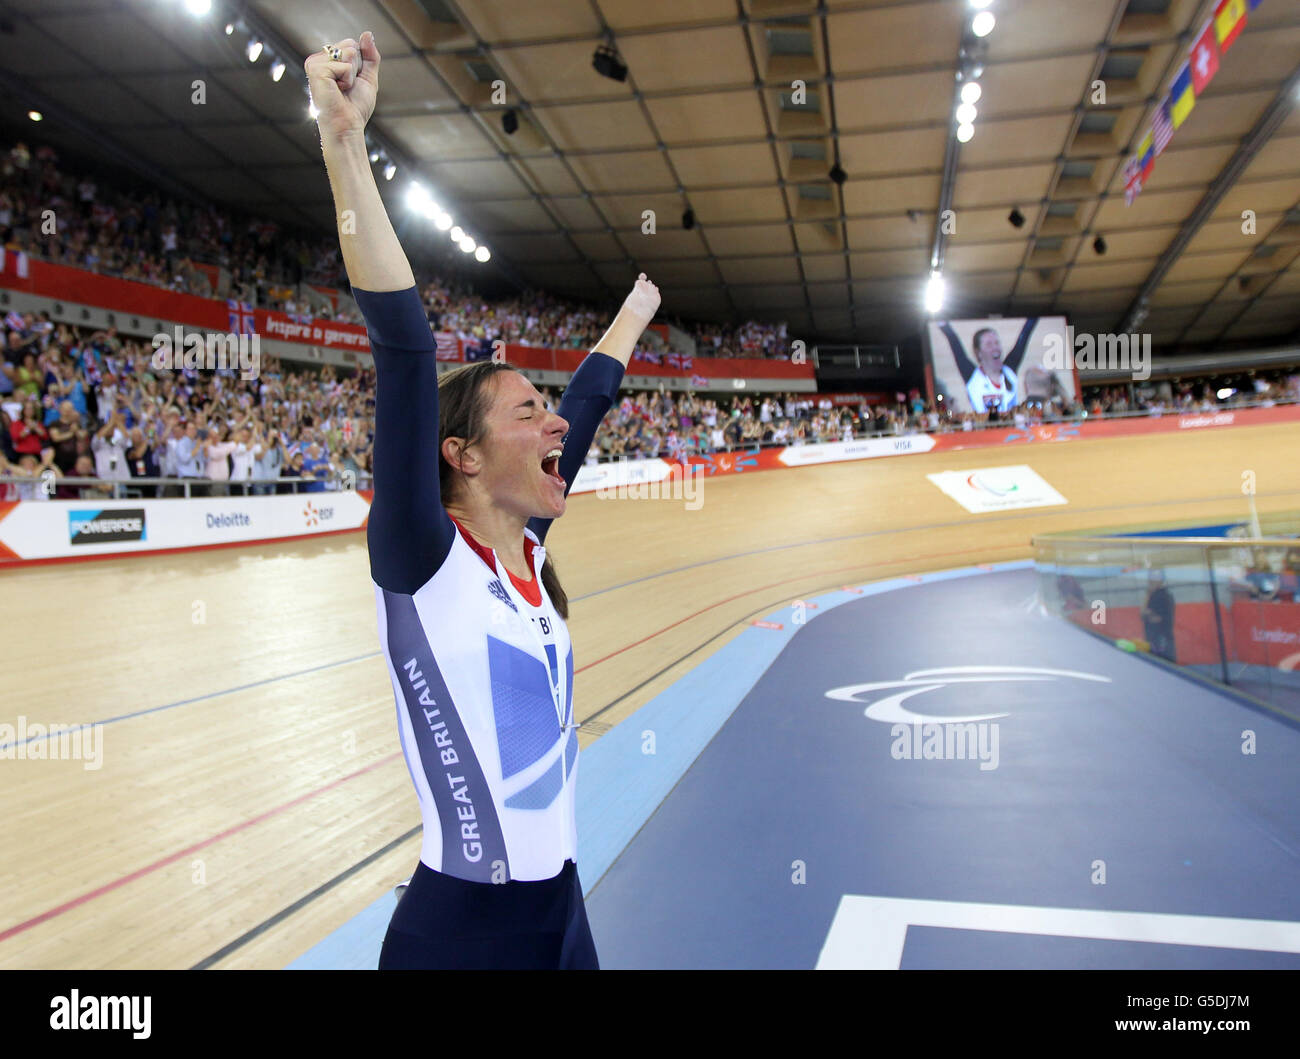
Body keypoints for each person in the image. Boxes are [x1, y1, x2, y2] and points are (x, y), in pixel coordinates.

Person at [307, 32, 661, 970]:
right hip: (460, 938)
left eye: (550, 412)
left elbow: (588, 401)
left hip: (564, 919)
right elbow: (406, 347)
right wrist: (344, 142)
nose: (557, 429)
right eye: (527, 411)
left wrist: (634, 311)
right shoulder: (422, 559)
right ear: (458, 453)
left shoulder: (532, 550)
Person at [1141, 570, 1176, 662]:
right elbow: (1144, 614)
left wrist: (1147, 597)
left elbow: (1148, 615)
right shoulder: (1165, 595)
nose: (1149, 583)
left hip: (1160, 641)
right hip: (1159, 641)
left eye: (1152, 581)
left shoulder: (1160, 596)